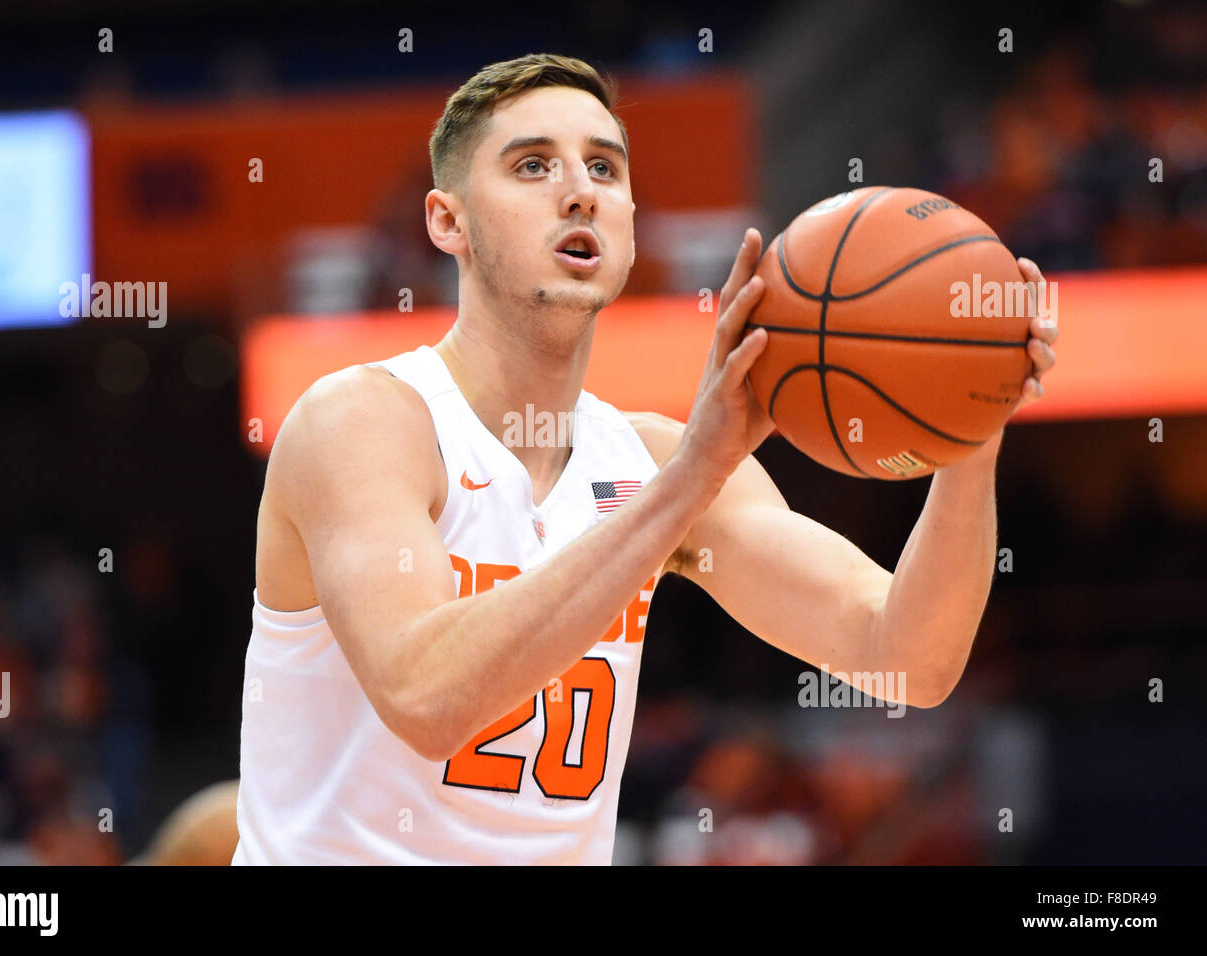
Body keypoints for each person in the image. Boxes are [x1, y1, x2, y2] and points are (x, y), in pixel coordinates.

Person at [231, 53, 1058, 865]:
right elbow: (426, 695)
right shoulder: (364, 421)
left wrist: (968, 426)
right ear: (448, 221)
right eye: (531, 165)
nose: (579, 189)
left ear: (629, 224)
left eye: (604, 167)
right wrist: (691, 476)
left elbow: (907, 659)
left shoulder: (651, 457)